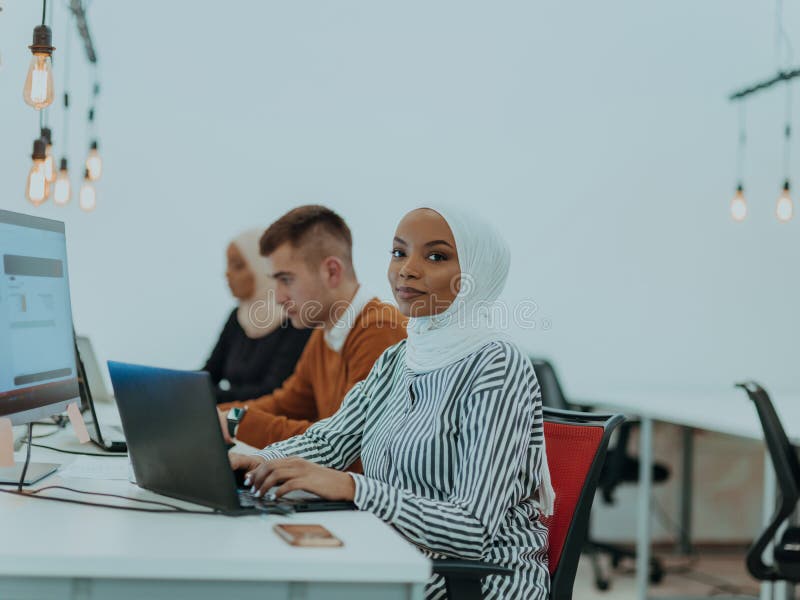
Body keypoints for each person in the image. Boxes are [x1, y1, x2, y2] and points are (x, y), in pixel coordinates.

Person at [232, 206, 554, 599]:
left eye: (435, 256)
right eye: (399, 253)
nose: (407, 269)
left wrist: (353, 487)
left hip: (477, 583)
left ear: (474, 276)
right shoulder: (400, 358)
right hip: (395, 558)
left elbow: (471, 528)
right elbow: (330, 442)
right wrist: (262, 461)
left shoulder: (497, 364)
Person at [217, 205, 407, 449]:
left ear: (331, 271)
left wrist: (236, 421)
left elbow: (347, 443)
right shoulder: (324, 332)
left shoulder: (380, 330)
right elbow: (286, 404)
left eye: (286, 280)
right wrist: (215, 414)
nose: (278, 296)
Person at [203, 230, 312, 404]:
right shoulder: (237, 317)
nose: (227, 274)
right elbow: (209, 374)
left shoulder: (295, 319)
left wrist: (210, 396)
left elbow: (273, 391)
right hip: (231, 418)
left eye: (237, 266)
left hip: (269, 423)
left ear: (263, 269)